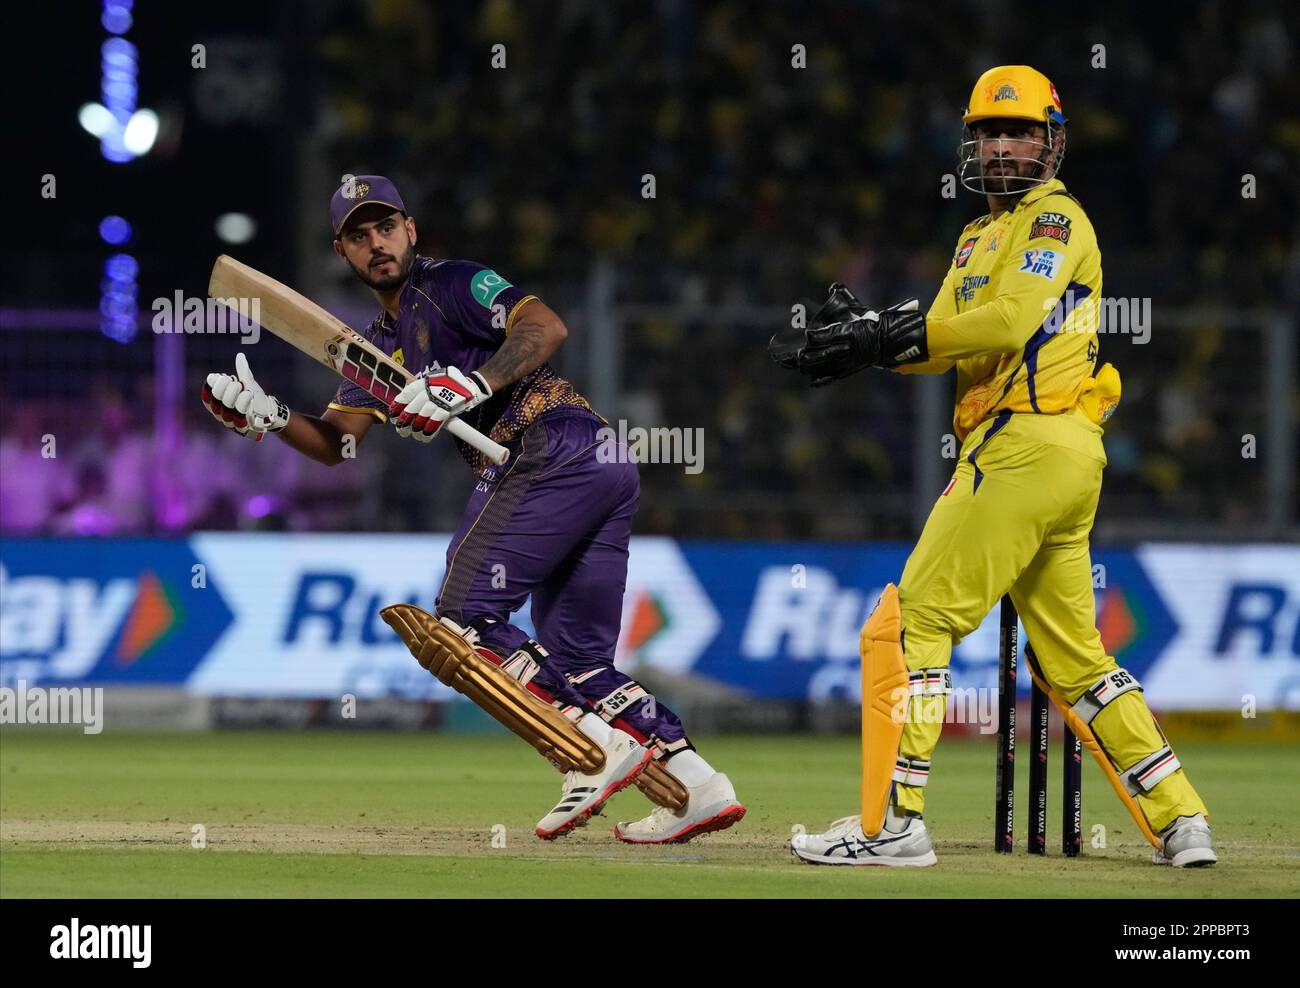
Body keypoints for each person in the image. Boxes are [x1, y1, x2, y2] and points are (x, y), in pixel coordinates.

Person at [200, 175, 744, 843]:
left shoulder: (453, 283)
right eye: (359, 235)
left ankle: (590, 747)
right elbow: (338, 442)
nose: (377, 243)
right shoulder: (376, 351)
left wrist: (472, 383)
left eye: (386, 227)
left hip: (553, 445)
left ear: (411, 229)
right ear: (340, 250)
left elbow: (544, 326)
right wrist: (272, 417)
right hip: (592, 463)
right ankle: (696, 786)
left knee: (463, 618)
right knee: (578, 661)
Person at [772, 67, 1214, 868]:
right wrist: (868, 341)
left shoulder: (1055, 220)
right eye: (987, 133)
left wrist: (886, 338)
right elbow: (945, 339)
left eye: (1018, 132)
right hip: (1056, 458)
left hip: (1028, 444)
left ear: (1053, 140)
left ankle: (891, 825)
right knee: (1076, 659)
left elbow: (1009, 324)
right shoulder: (977, 235)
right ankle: (1182, 820)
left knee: (910, 625)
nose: (1002, 146)